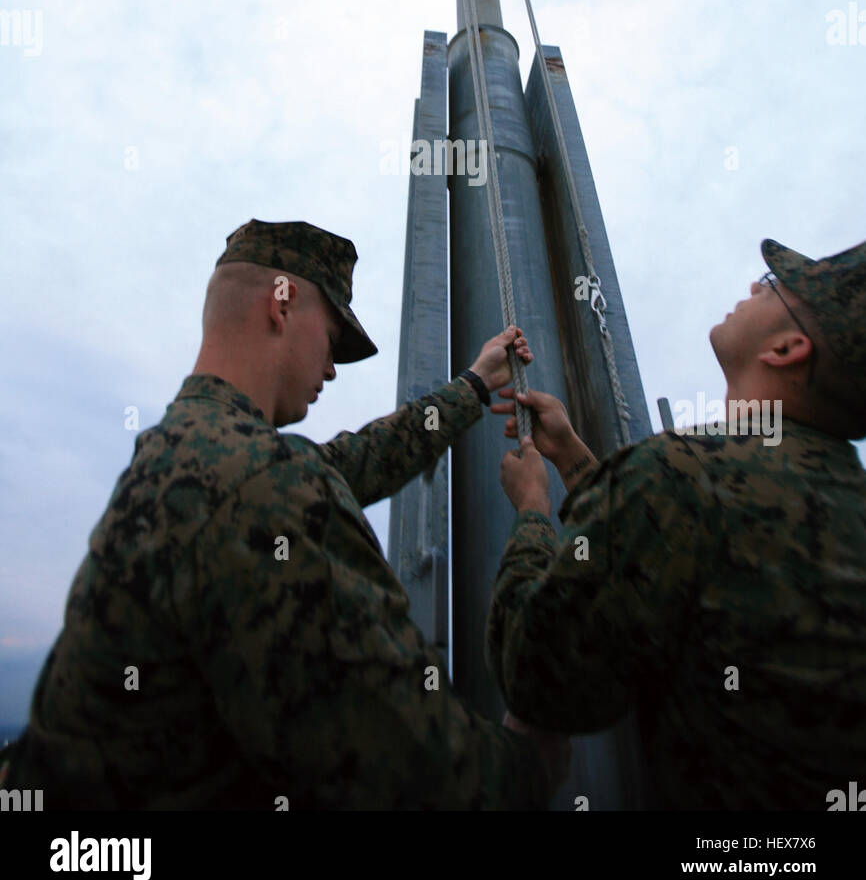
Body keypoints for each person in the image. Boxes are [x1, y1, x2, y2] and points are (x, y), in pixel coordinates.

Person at [2, 218, 568, 810]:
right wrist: (530, 763)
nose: (330, 368)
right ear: (281, 303)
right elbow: (419, 777)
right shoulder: (260, 485)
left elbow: (353, 462)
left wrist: (475, 385)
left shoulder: (186, 449)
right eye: (332, 339)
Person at [486, 236, 866, 810]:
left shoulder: (686, 472)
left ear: (788, 347)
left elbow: (538, 677)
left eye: (771, 287)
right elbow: (673, 544)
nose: (752, 288)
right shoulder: (837, 495)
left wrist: (533, 511)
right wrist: (571, 459)